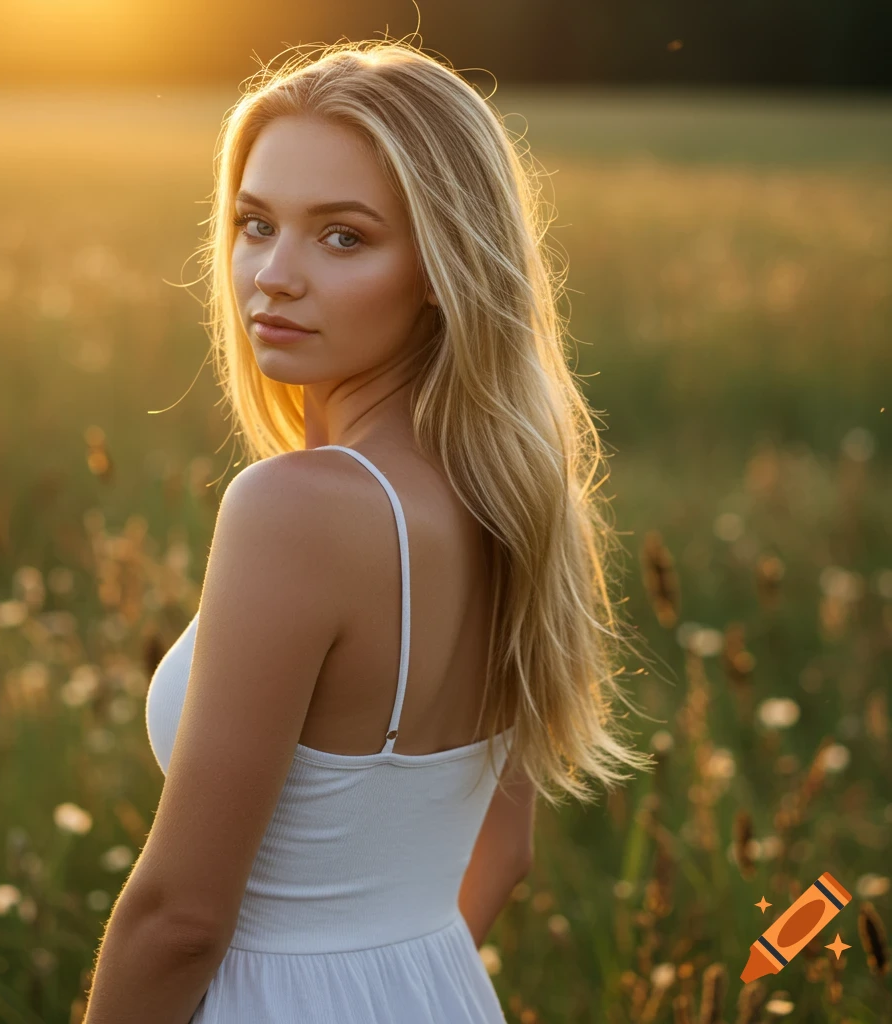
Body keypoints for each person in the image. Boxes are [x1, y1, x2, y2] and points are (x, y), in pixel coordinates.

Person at [83, 34, 656, 1024]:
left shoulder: (297, 510)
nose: (272, 275)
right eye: (254, 223)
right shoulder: (512, 492)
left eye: (342, 236)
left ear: (443, 261)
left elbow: (178, 917)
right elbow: (501, 852)